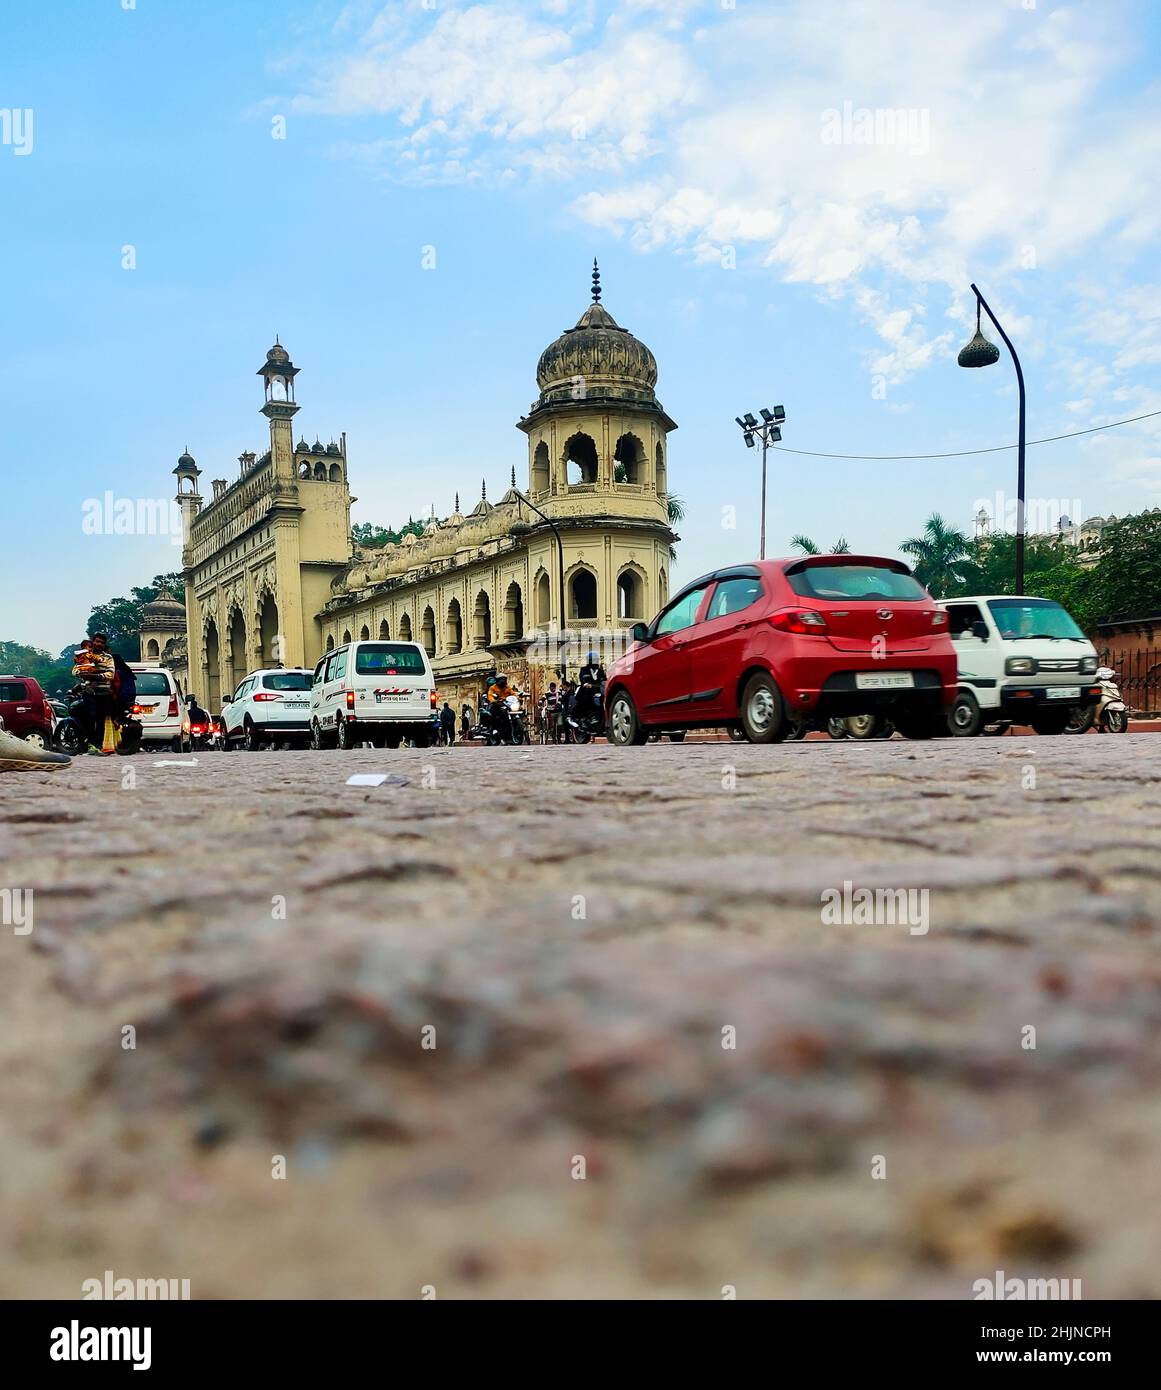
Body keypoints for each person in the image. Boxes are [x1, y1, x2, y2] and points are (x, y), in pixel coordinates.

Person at [72, 633, 116, 751]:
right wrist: (83, 674)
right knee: (90, 717)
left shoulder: (108, 658)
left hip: (104, 692)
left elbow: (110, 674)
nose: (99, 644)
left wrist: (94, 676)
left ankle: (99, 745)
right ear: (93, 642)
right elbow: (75, 671)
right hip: (89, 691)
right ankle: (91, 744)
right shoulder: (84, 655)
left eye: (102, 642)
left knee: (101, 720)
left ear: (104, 644)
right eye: (97, 641)